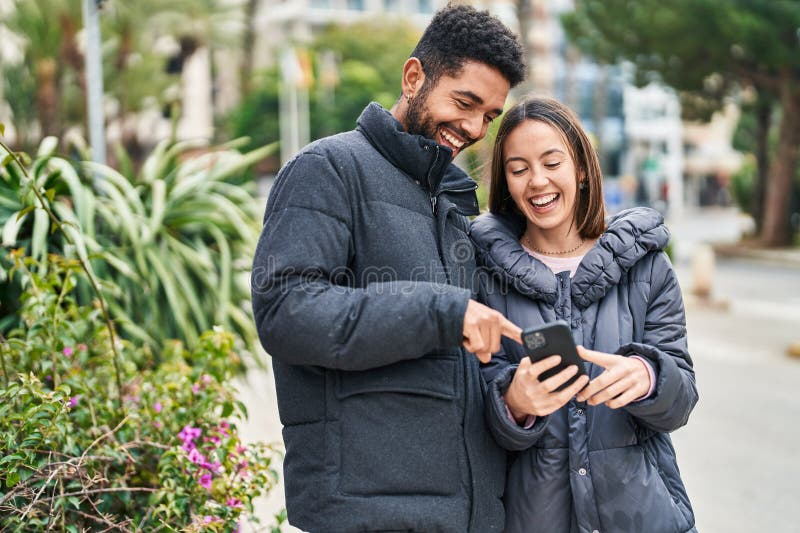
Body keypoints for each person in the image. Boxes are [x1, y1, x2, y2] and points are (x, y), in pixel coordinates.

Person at [250, 4, 525, 532]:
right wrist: (444, 312)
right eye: (465, 102)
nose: (473, 128)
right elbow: (285, 309)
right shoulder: (326, 169)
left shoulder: (450, 203)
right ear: (414, 76)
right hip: (367, 515)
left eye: (489, 117)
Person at [470, 96, 699, 533]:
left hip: (641, 515)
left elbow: (682, 397)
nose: (537, 181)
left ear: (580, 167)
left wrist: (648, 377)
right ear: (506, 182)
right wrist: (514, 403)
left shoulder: (647, 267)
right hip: (532, 517)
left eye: (551, 162)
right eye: (519, 170)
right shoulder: (483, 275)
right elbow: (476, 406)